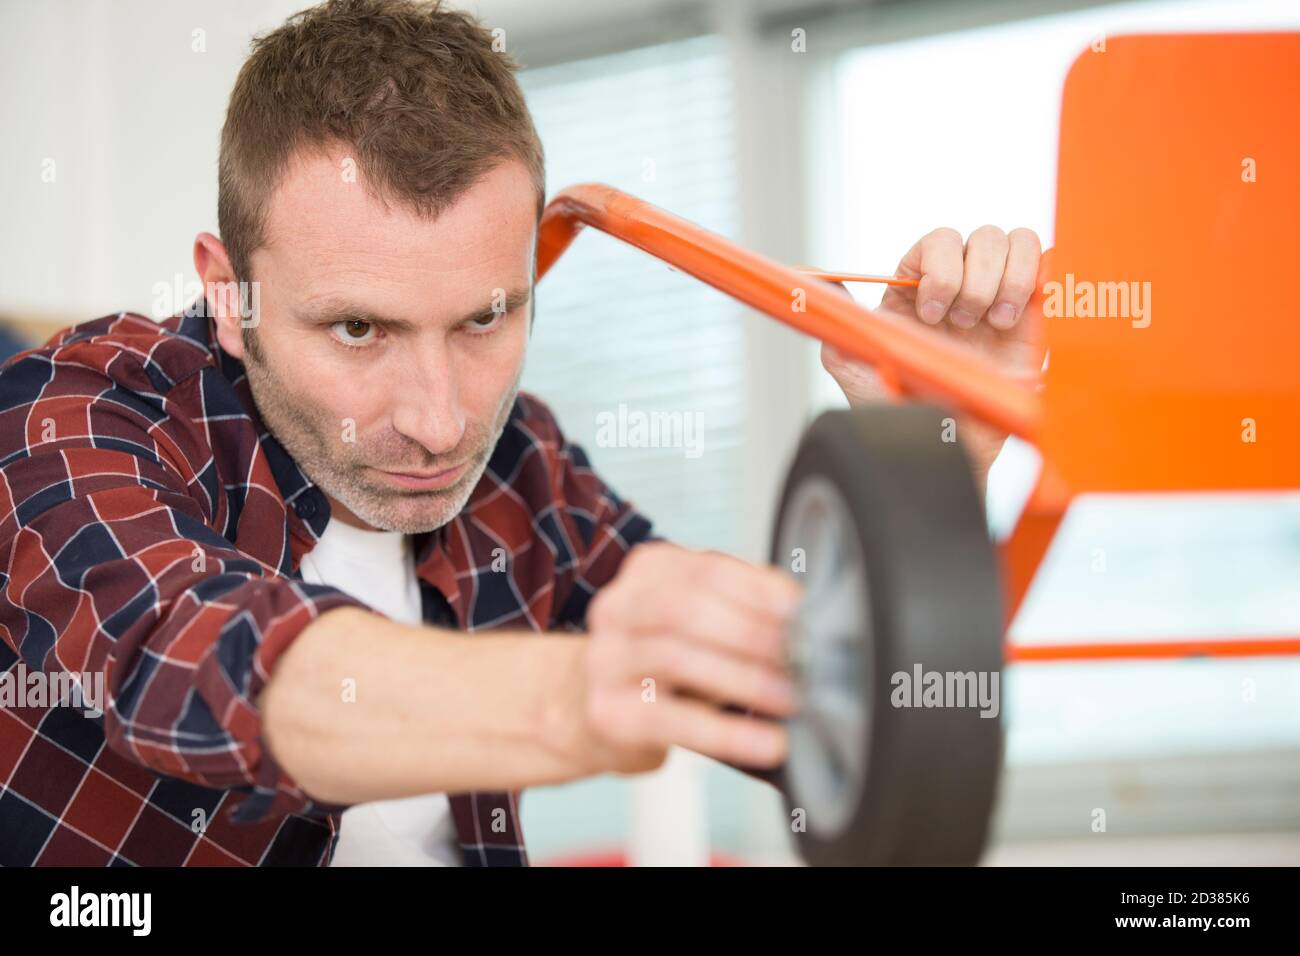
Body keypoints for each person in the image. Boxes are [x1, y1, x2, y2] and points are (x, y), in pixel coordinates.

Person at [0, 0, 1043, 866]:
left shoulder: (521, 468)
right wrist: (582, 696)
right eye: (358, 328)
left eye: (485, 317)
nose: (440, 420)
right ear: (231, 295)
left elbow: (791, 690)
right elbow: (196, 658)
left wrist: (934, 456)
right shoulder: (72, 411)